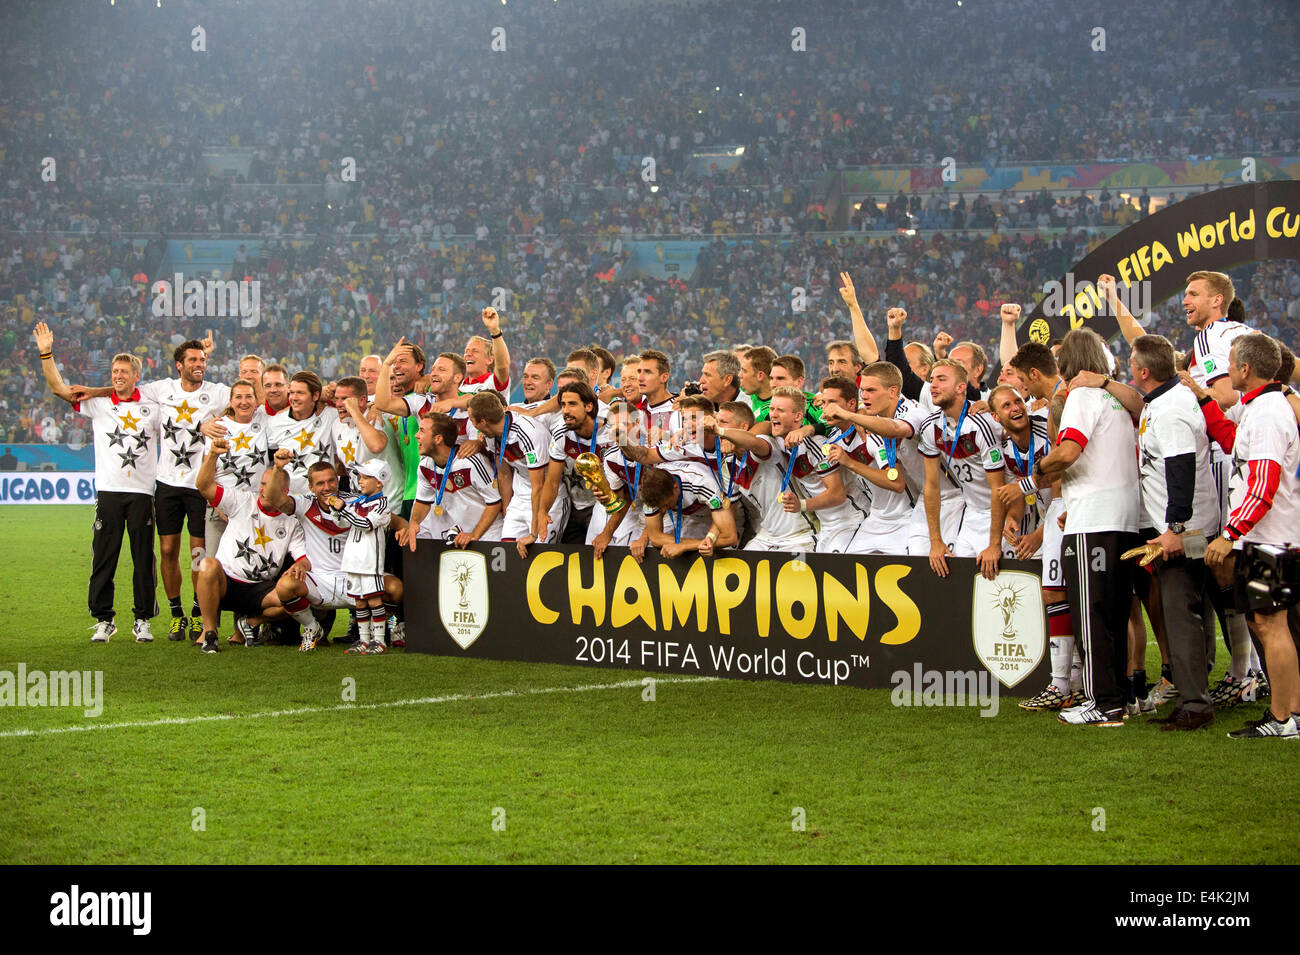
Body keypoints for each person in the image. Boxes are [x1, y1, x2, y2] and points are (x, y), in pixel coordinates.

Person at [1035, 329, 1141, 727]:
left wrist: (1040, 469)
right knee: (1113, 612)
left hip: (1093, 519)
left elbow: (1069, 450)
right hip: (1126, 517)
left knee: (1090, 613)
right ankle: (1118, 698)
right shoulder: (1116, 398)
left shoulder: (1082, 396)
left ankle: (1103, 702)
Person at [34, 322, 160, 643]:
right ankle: (104, 619)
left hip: (143, 493)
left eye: (124, 371)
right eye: (115, 371)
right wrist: (46, 353)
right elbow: (59, 389)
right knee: (104, 557)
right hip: (108, 493)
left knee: (143, 558)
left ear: (136, 376)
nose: (117, 376)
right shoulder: (98, 404)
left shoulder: (153, 408)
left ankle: (143, 619)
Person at [1201, 334, 1300, 739]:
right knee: (1266, 623)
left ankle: (1282, 718)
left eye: (1230, 363)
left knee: (1272, 625)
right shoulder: (1261, 408)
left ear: (1245, 369)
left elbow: (1264, 484)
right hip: (1267, 539)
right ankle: (1290, 712)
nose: (1226, 370)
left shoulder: (1267, 413)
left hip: (1270, 542)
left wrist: (1230, 533)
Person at [194, 444, 305, 654]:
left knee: (298, 595)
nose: (264, 489)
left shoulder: (291, 521)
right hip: (226, 582)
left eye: (271, 484)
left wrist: (301, 564)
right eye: (262, 483)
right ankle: (210, 633)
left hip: (259, 589)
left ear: (285, 492)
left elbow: (302, 557)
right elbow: (203, 486)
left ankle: (250, 623)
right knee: (207, 564)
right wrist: (213, 456)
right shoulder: (242, 501)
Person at [918, 359, 1005, 579]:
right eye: (931, 380)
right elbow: (931, 486)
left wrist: (995, 544)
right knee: (962, 580)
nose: (933, 385)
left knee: (1000, 584)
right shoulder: (931, 427)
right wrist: (935, 541)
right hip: (972, 514)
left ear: (961, 387)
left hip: (1002, 515)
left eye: (941, 379)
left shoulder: (981, 425)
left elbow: (999, 489)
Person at [398, 412, 504, 550]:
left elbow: (495, 502)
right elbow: (422, 501)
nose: (416, 435)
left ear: (438, 439)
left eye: (422, 431)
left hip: (488, 534)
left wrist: (474, 534)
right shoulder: (425, 466)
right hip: (461, 536)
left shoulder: (470, 462)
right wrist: (413, 524)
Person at [326, 458, 394, 655]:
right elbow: (342, 525)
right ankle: (363, 639)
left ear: (379, 481)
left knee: (374, 600)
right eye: (360, 477)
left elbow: (365, 524)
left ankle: (379, 641)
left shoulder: (382, 504)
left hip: (370, 561)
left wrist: (343, 509)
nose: (360, 481)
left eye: (366, 477)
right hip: (352, 561)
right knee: (359, 602)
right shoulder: (357, 503)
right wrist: (335, 511)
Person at [266, 371, 337, 496]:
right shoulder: (275, 422)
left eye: (300, 393)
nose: (294, 398)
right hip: (289, 501)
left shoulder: (330, 416)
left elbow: (359, 405)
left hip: (323, 498)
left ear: (315, 396)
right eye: (292, 392)